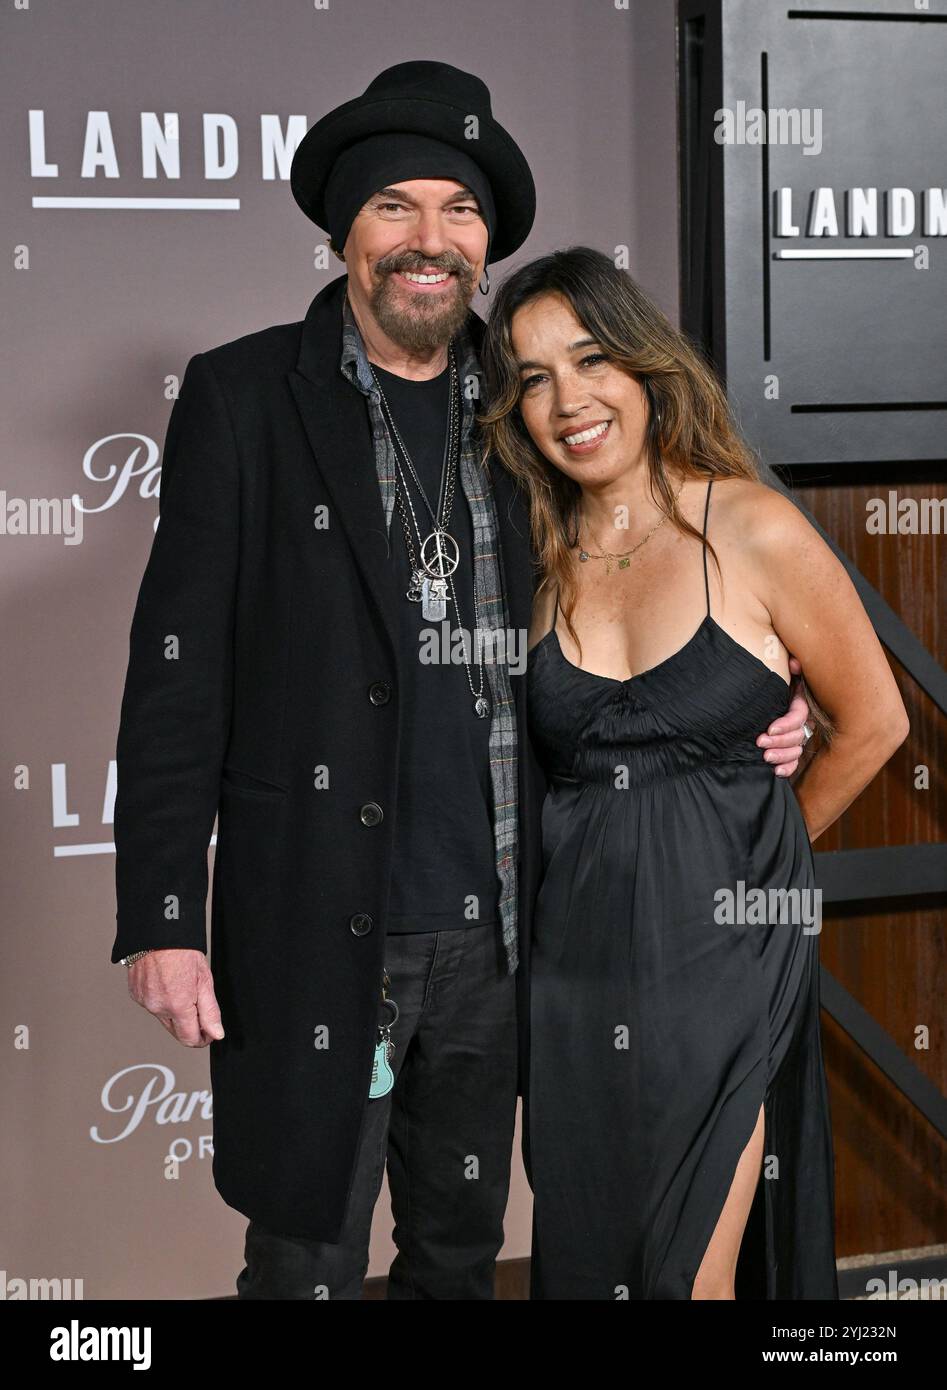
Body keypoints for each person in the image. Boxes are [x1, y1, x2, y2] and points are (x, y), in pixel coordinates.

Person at [111, 64, 813, 1301]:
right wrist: (164, 915)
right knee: (303, 1261)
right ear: (343, 232)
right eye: (394, 207)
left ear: (485, 244)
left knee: (458, 1257)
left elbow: (650, 587)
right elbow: (175, 680)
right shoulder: (241, 399)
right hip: (316, 929)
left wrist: (759, 703)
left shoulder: (539, 411)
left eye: (457, 211)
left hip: (503, 938)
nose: (427, 241)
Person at [479, 246, 910, 1300]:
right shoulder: (533, 554)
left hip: (719, 965)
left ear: (643, 368)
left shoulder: (752, 526)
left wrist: (756, 863)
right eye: (533, 378)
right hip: (573, 966)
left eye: (588, 361)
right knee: (591, 1264)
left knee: (683, 1272)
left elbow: (874, 722)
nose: (567, 400)